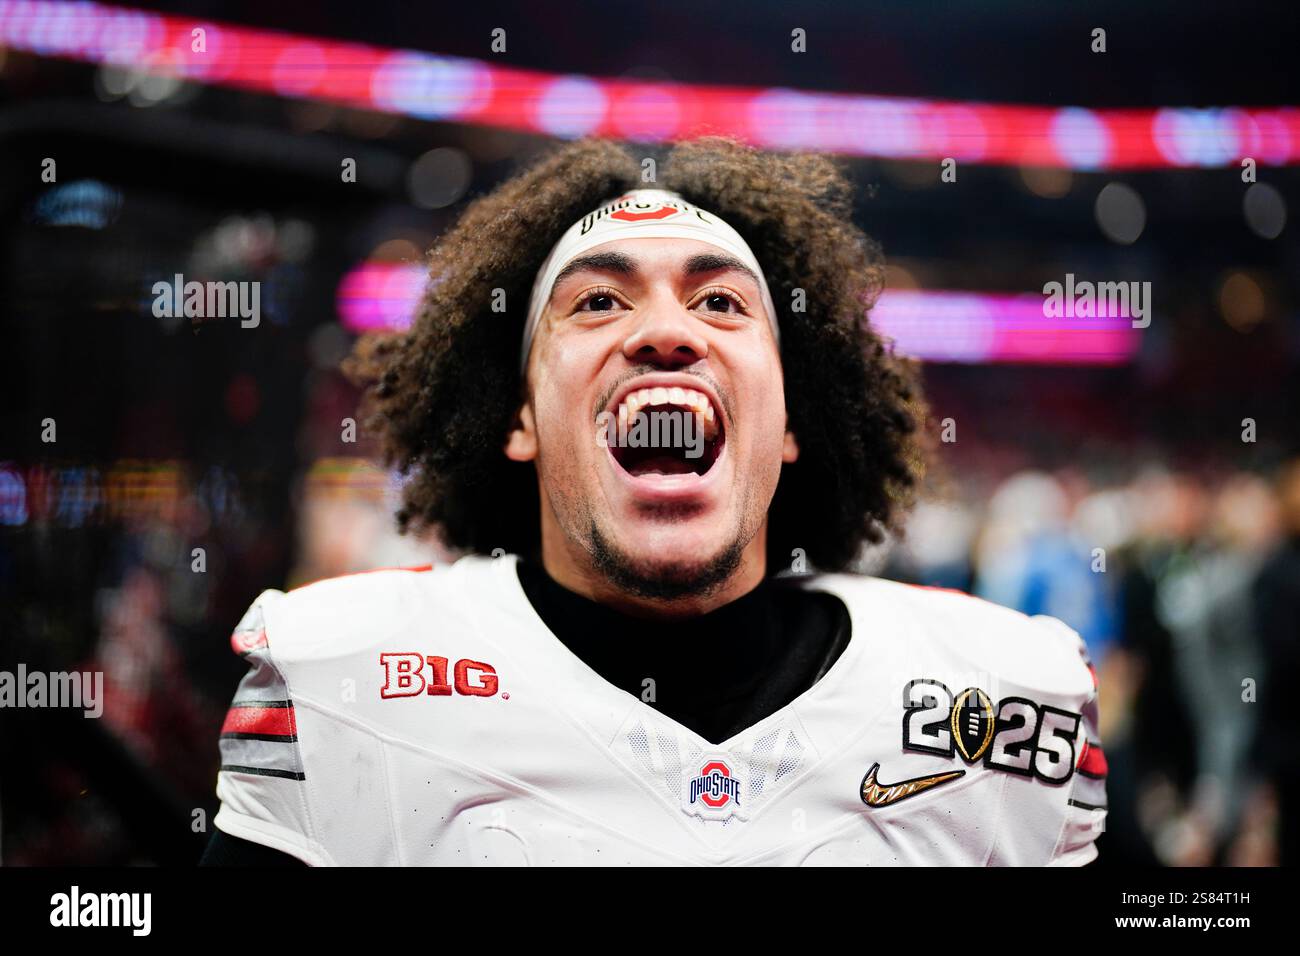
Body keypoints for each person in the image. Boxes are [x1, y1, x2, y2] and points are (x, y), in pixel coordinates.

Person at [200, 137, 1104, 866]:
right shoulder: (343, 689)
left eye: (719, 301)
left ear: (792, 419)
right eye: (597, 300)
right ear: (517, 417)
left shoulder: (1001, 706)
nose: (666, 331)